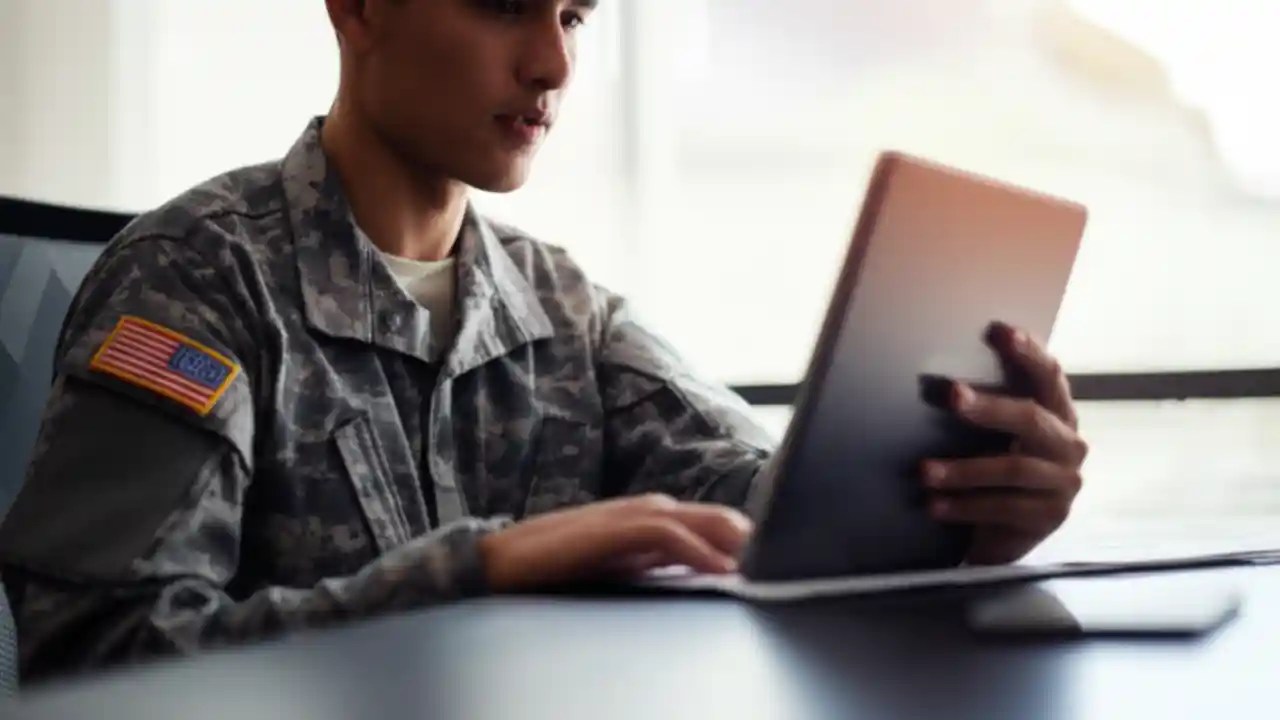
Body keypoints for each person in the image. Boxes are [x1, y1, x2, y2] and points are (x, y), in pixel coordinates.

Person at [0, 0, 1088, 682]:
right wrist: (478, 570)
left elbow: (767, 514)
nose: (552, 66)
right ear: (356, 8)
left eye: (572, 15)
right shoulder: (194, 281)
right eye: (506, 5)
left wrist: (962, 506)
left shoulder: (563, 309)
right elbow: (94, 659)